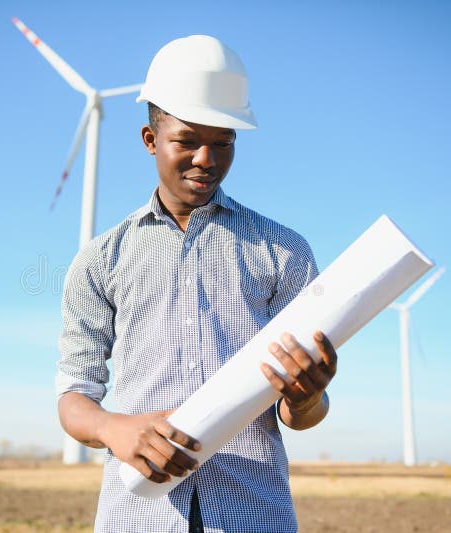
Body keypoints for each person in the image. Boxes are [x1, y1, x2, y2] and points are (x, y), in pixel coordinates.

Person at [55, 35, 338, 533]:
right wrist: (112, 428)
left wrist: (307, 397)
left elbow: (303, 415)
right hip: (136, 516)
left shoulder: (284, 252)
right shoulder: (100, 260)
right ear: (150, 139)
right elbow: (74, 398)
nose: (206, 158)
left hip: (254, 514)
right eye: (187, 140)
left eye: (223, 141)